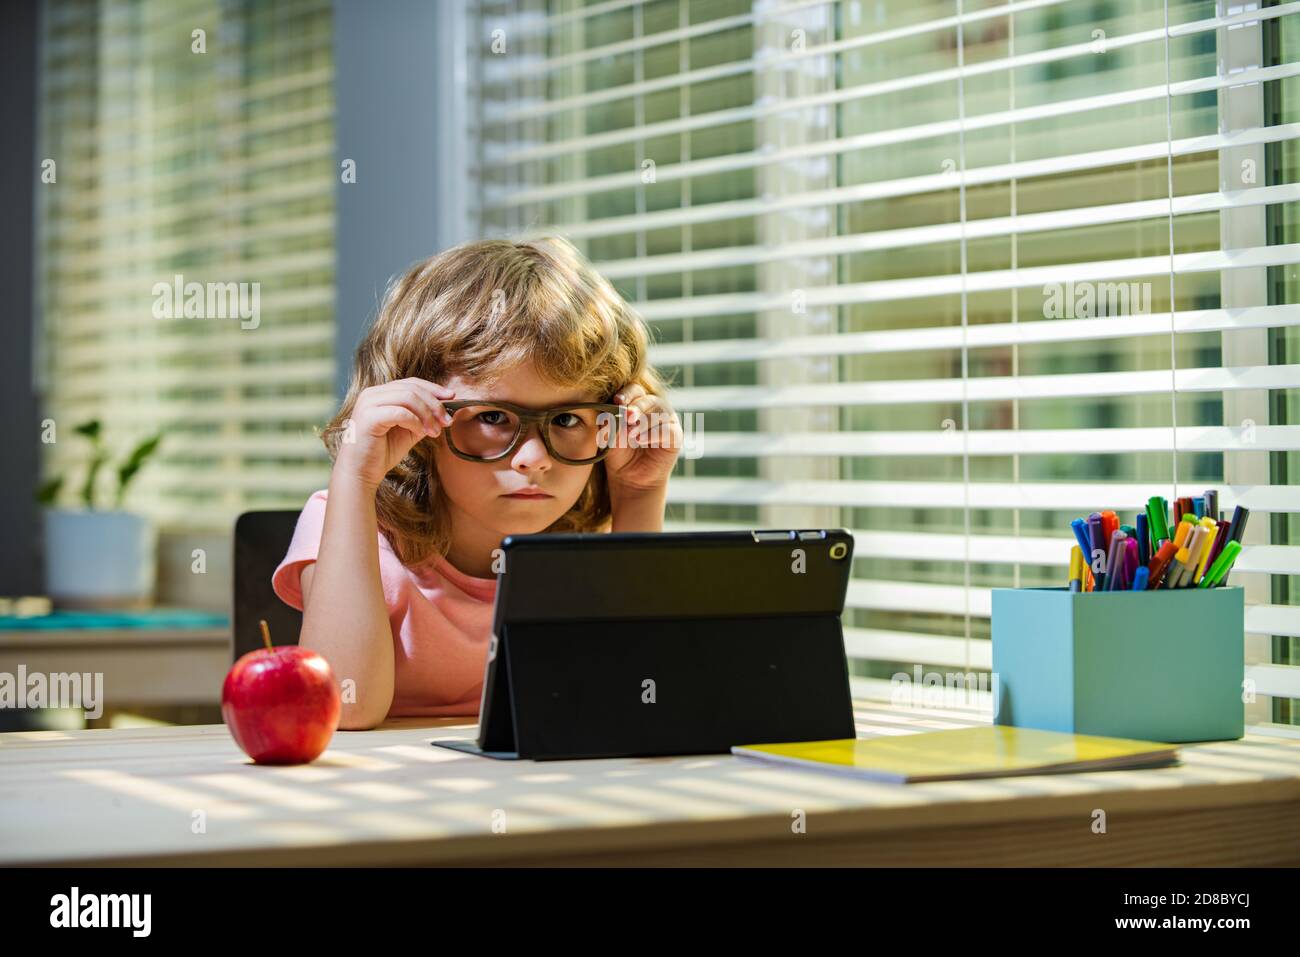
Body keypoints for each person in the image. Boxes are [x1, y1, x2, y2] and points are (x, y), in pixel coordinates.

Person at [272, 237, 681, 728]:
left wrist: (638, 496)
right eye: (492, 416)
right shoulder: (349, 522)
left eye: (568, 420)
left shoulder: (578, 545)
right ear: (418, 422)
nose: (532, 459)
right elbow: (347, 708)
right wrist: (355, 479)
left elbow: (637, 698)